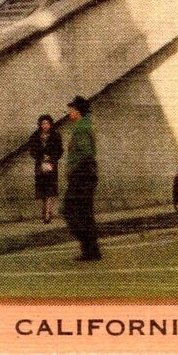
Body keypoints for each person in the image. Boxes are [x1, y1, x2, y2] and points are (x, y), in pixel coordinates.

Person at [61, 95, 101, 261]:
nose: (69, 113)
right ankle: (91, 250)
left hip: (82, 174)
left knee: (69, 209)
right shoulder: (85, 124)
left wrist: (73, 170)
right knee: (85, 212)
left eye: (71, 110)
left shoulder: (80, 128)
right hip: (87, 173)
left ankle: (88, 246)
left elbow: (86, 153)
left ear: (77, 111)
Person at [27, 114, 63, 223]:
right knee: (42, 189)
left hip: (51, 165)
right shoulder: (35, 136)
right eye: (43, 123)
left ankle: (47, 213)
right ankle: (45, 210)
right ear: (40, 125)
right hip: (40, 165)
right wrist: (40, 158)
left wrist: (52, 158)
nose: (45, 125)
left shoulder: (55, 136)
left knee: (50, 189)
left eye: (47, 123)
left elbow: (60, 150)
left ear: (51, 124)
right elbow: (32, 150)